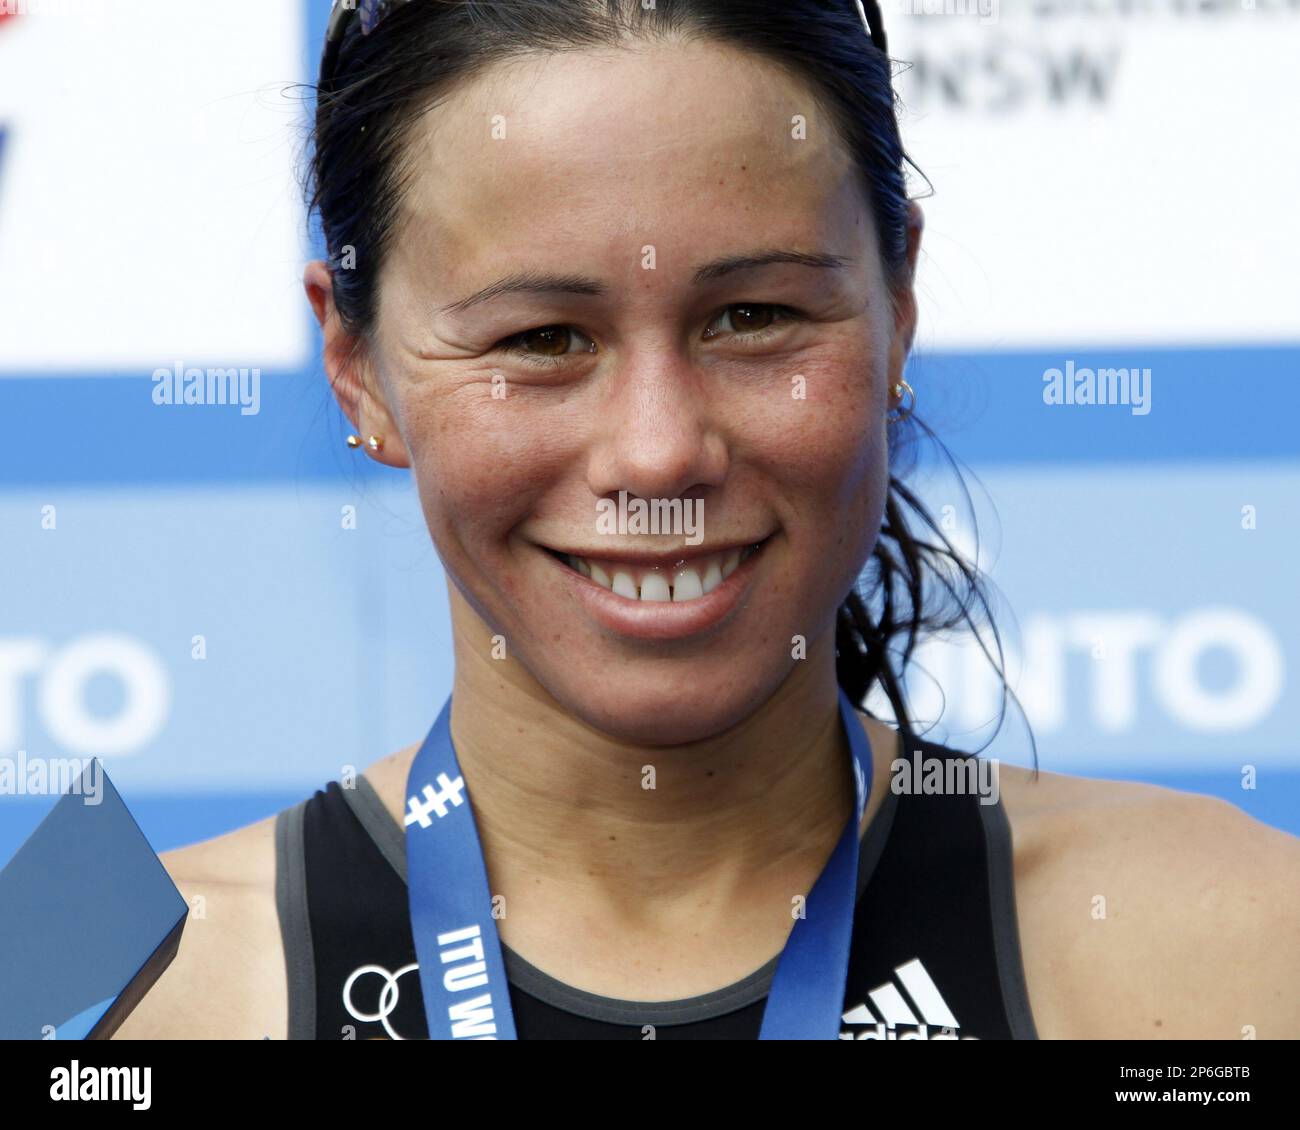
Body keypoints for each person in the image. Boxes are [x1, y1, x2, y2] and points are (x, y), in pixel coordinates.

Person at [115, 0, 1299, 1040]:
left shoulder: (1236, 934)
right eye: (542, 338)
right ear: (355, 362)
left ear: (897, 304)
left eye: (751, 316)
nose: (658, 449)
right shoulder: (85, 971)